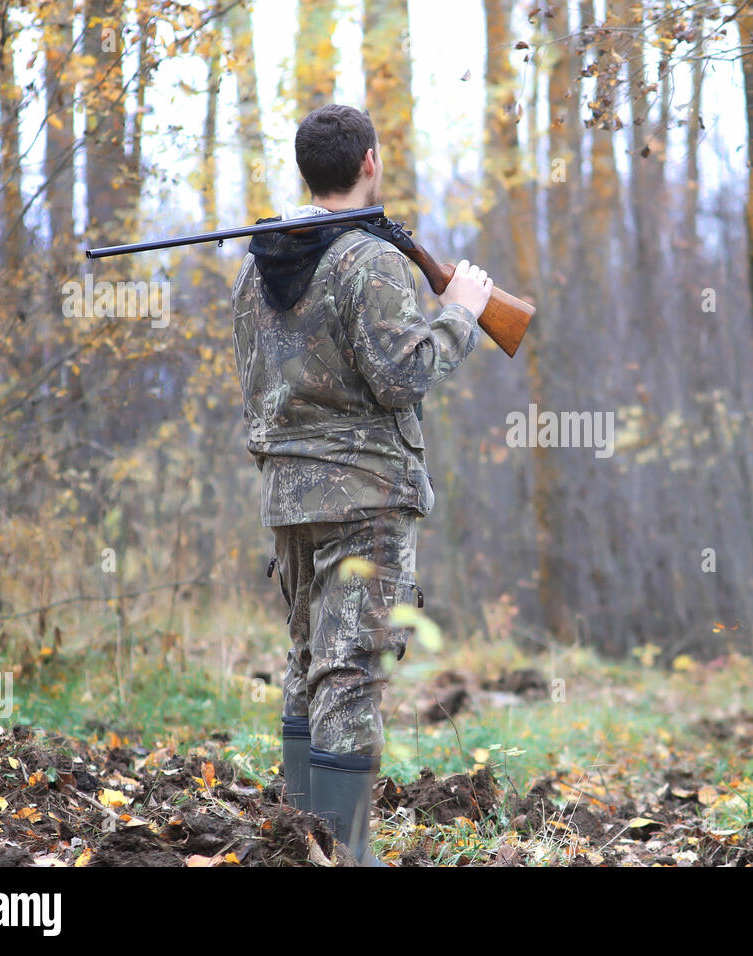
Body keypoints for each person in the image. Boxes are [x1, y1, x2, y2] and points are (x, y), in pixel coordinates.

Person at [230, 104, 492, 866]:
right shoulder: (369, 261)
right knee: (349, 673)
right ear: (369, 162)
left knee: (310, 660)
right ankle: (343, 853)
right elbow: (401, 375)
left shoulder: (257, 264)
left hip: (289, 495)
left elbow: (263, 383)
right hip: (365, 498)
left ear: (306, 169)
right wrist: (460, 314)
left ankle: (300, 843)